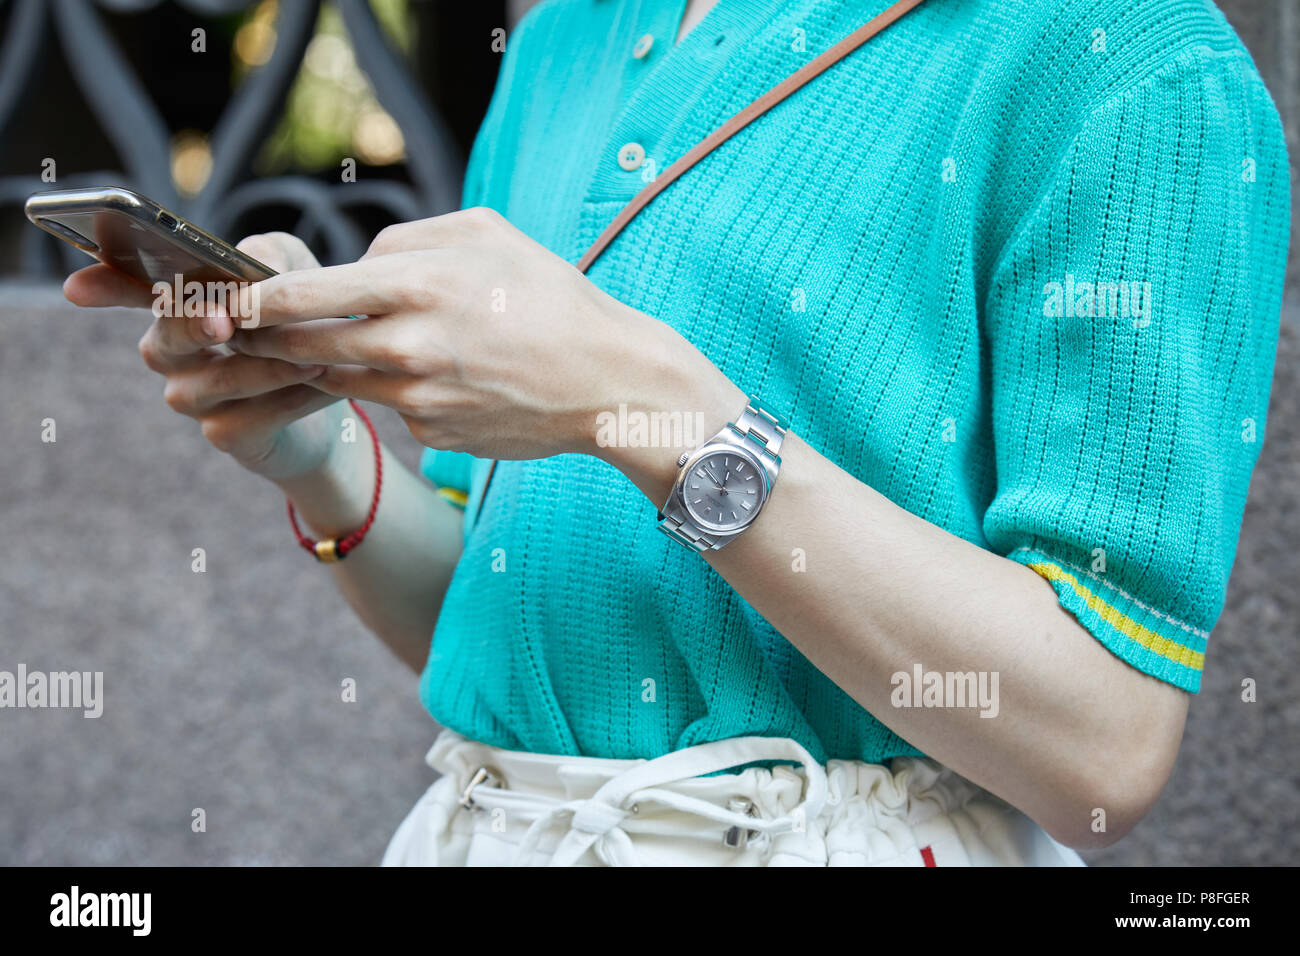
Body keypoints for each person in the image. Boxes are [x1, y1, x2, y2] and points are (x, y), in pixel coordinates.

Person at [64, 0, 1291, 866]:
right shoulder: (561, 43)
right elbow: (498, 625)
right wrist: (322, 455)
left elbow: (1107, 745)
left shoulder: (1131, 63)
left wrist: (645, 409)